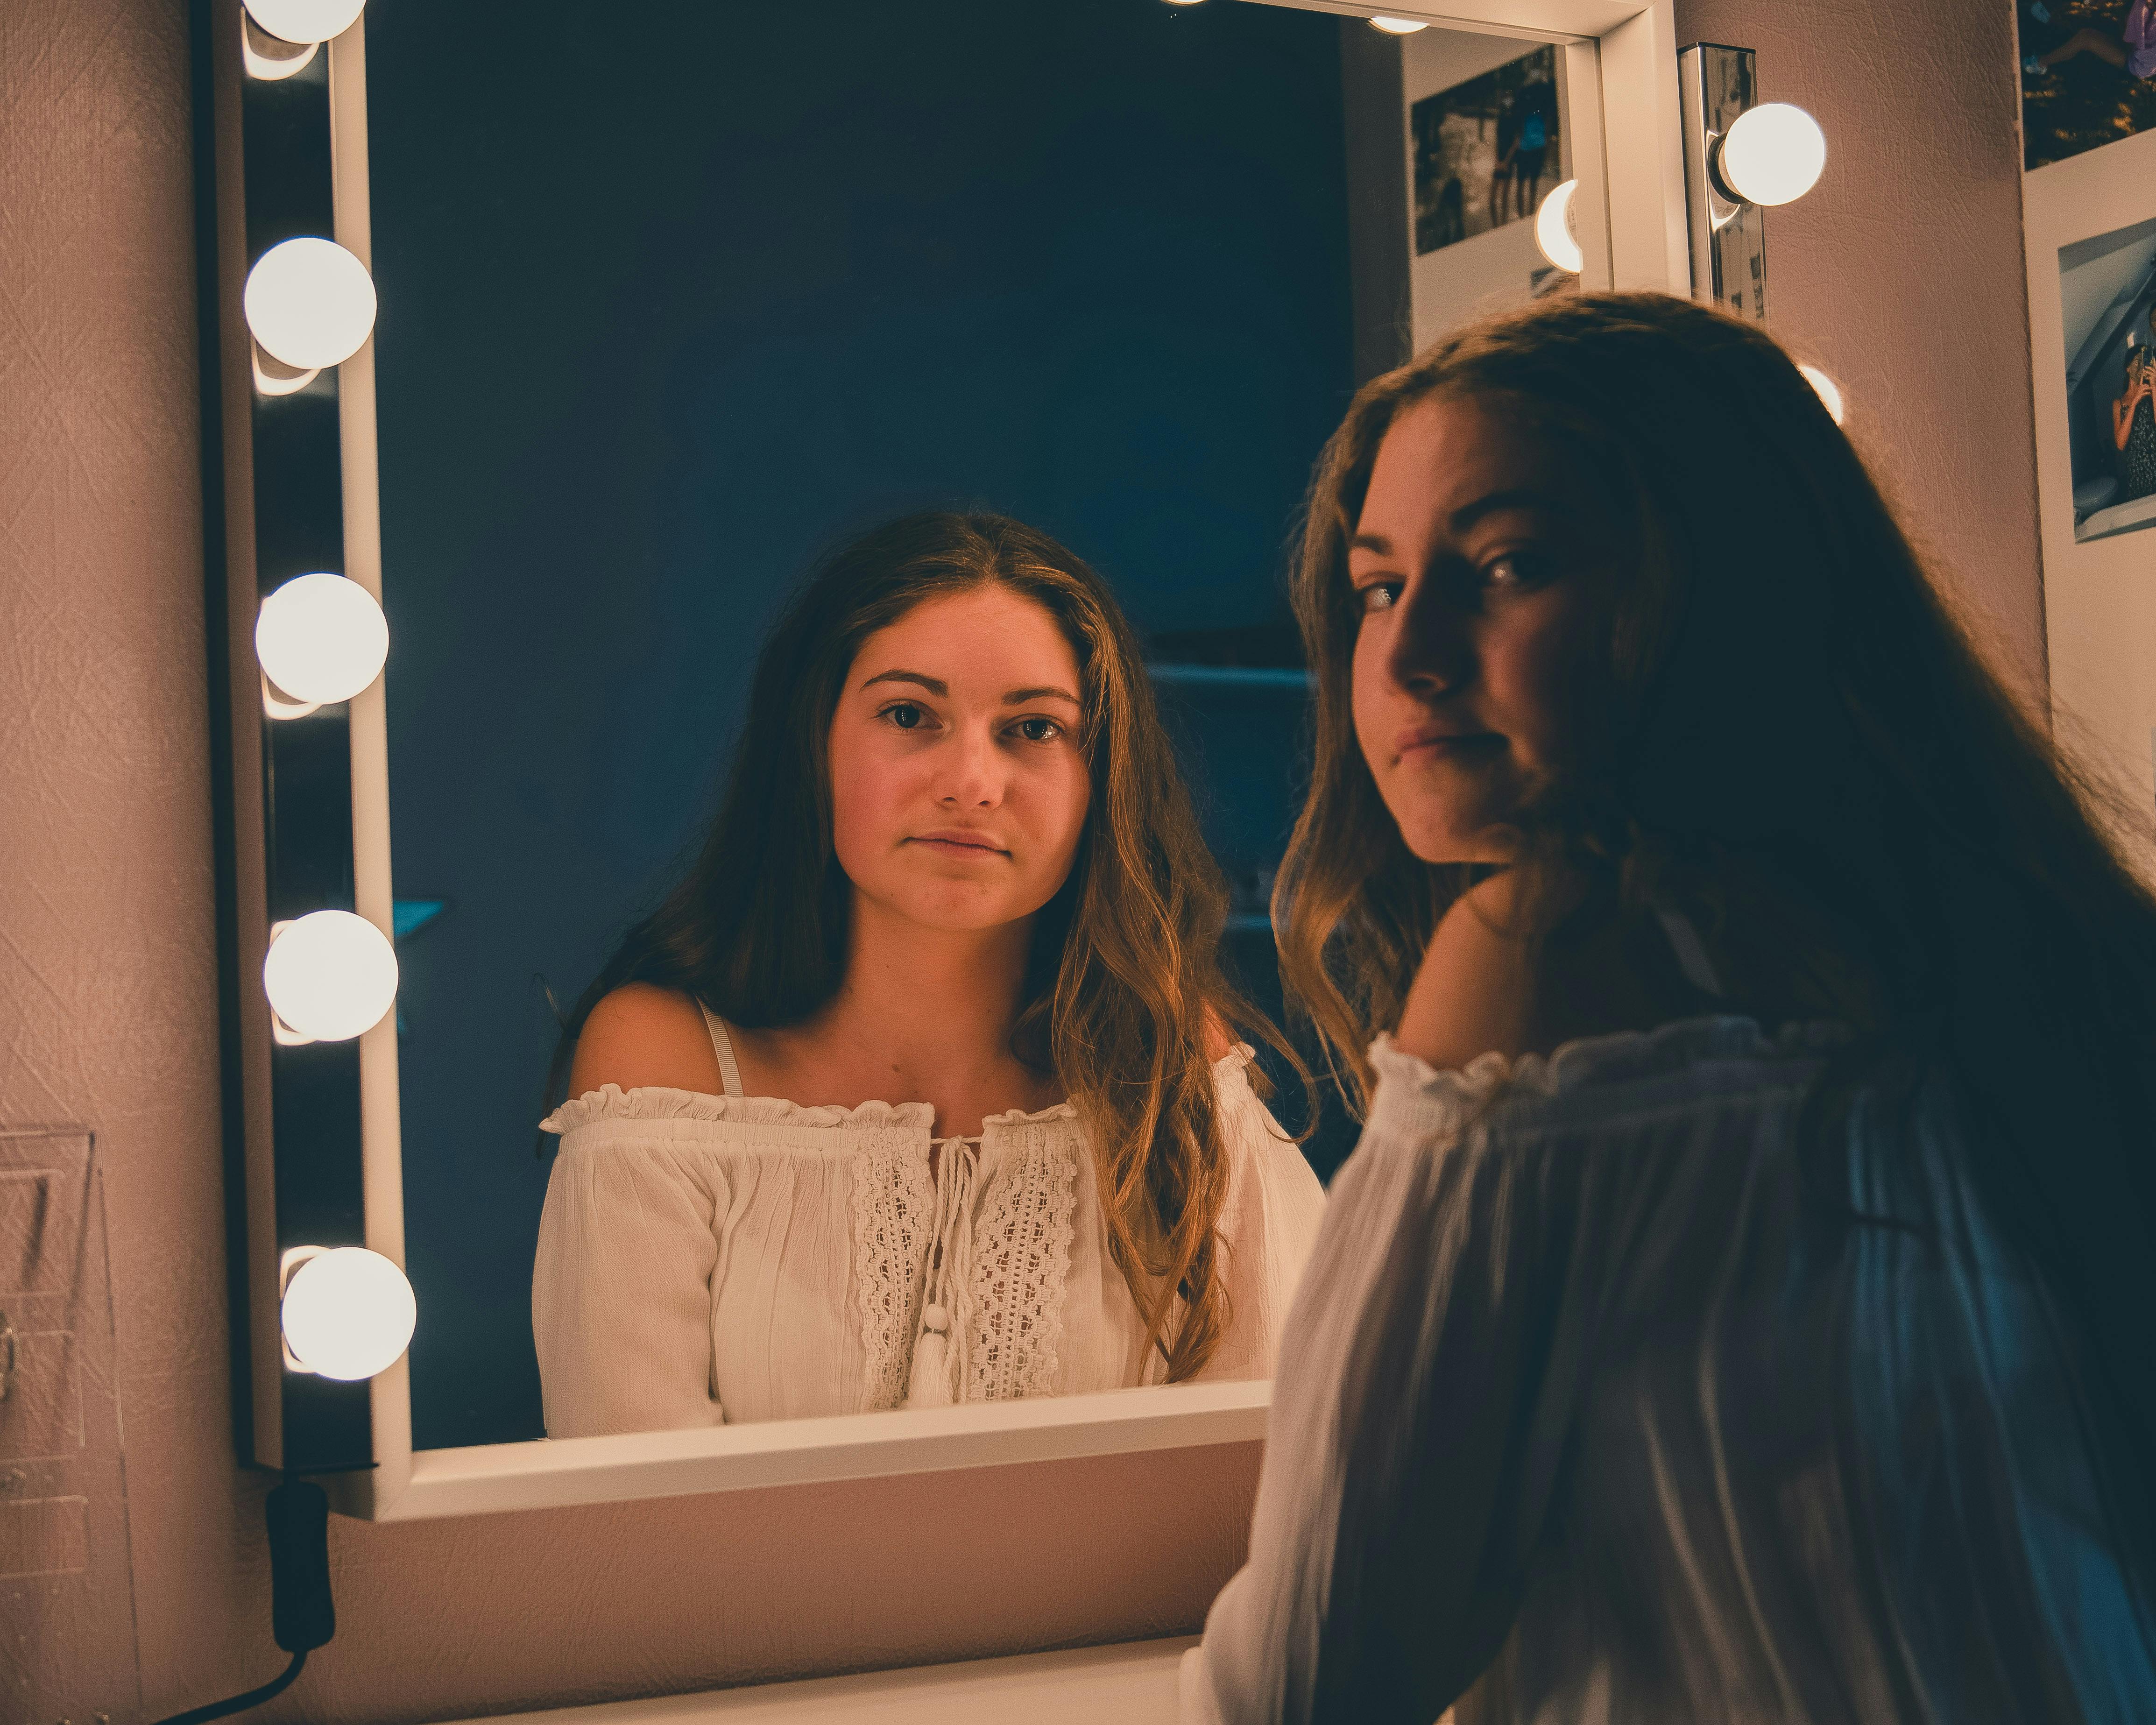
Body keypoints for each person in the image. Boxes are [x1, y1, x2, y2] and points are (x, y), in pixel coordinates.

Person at [1183, 294, 2156, 1720]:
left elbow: (1315, 1674)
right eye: (1380, 584)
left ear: (1726, 587)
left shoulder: (1555, 947)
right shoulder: (2025, 941)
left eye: (1506, 564)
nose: (1408, 656)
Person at [531, 512, 1324, 1437]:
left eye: (1033, 727)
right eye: (910, 715)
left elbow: (1275, 1463)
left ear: (1098, 774)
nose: (971, 781)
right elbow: (633, 1500)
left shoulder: (1167, 1067)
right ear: (813, 741)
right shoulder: (666, 1060)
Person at [2026, 0, 2156, 78]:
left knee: (2086, 37)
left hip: (2137, 61)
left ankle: (2041, 64)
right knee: (2095, 20)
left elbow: (2128, 44)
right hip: (2137, 35)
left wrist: (2124, 24)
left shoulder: (2141, 10)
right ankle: (2051, 20)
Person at [2114, 326, 2156, 502]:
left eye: (2144, 361)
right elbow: (2121, 444)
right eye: (2136, 361)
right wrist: (2134, 402)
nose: (2141, 366)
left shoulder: (2153, 391)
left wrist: (2154, 387)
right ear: (2128, 368)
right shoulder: (2118, 404)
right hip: (2137, 469)